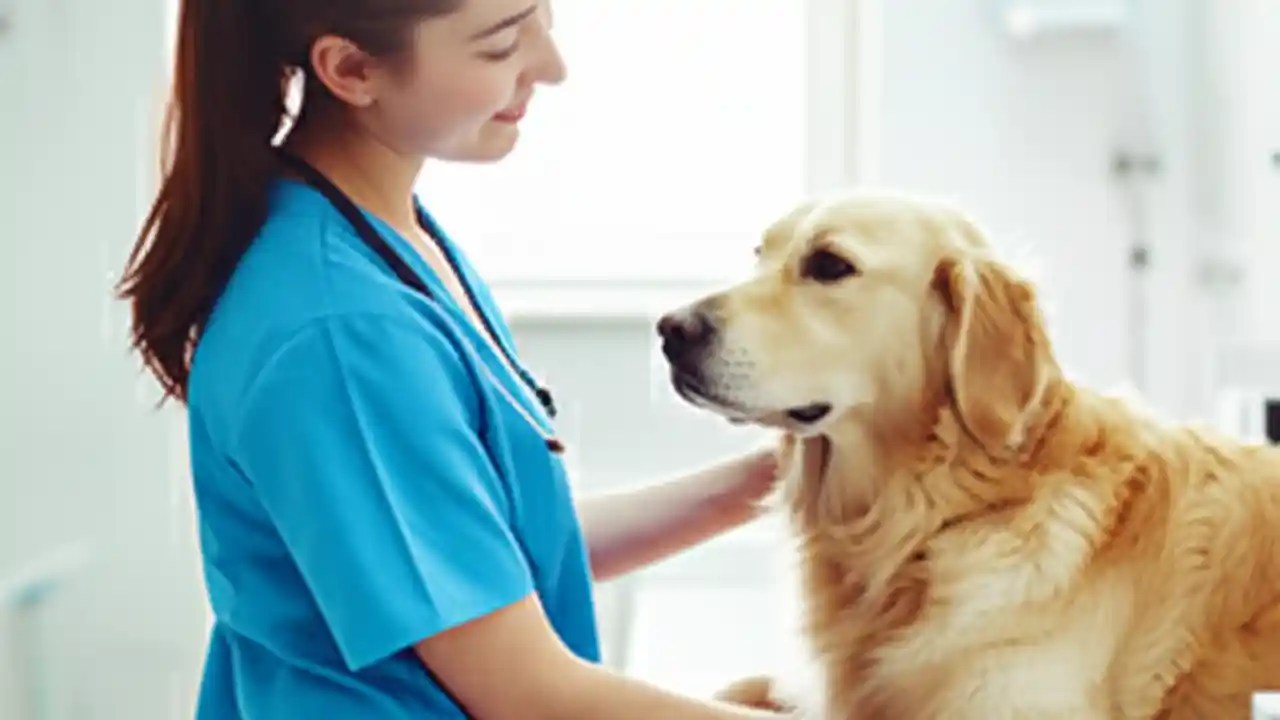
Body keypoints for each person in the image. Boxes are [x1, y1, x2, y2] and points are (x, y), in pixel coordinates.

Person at [119, 1, 795, 717]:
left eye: (542, 16)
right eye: (502, 44)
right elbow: (528, 692)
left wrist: (771, 480)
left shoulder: (387, 237)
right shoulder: (340, 335)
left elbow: (488, 557)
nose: (552, 66)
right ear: (351, 69)